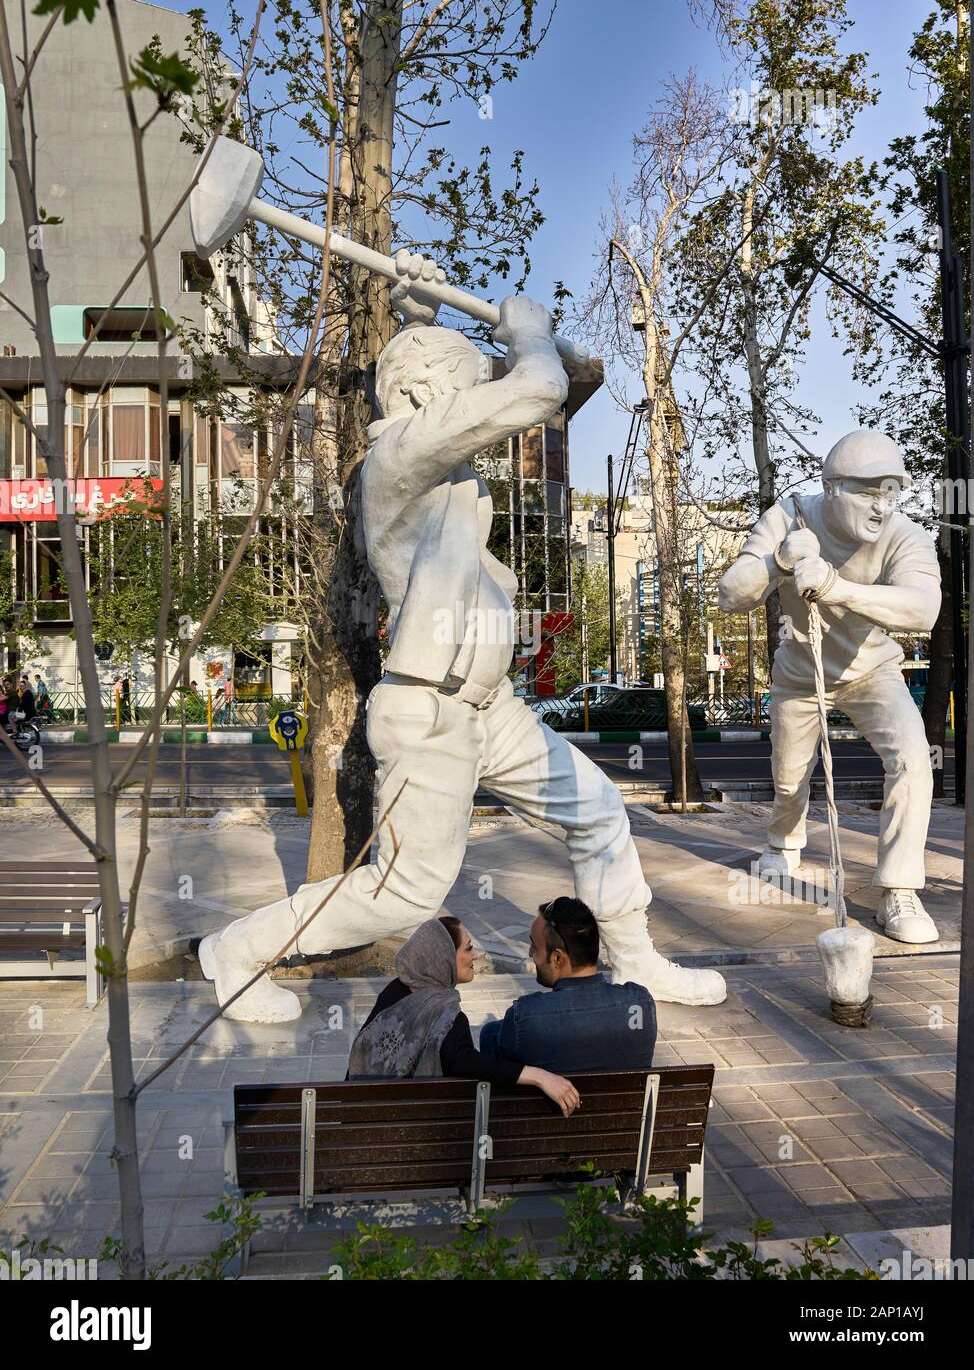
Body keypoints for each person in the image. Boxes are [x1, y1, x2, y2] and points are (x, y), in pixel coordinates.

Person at [199, 275, 725, 1023]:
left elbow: (434, 379)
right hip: (431, 711)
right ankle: (235, 952)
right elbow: (537, 387)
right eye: (465, 387)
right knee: (402, 894)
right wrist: (527, 334)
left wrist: (421, 315)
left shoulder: (440, 467)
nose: (478, 405)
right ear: (420, 399)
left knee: (599, 810)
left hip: (490, 707)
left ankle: (633, 964)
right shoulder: (401, 455)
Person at [719, 430, 942, 944]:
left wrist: (838, 587)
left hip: (873, 672)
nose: (881, 505)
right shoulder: (792, 515)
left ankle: (898, 890)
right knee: (789, 779)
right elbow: (731, 595)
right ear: (832, 487)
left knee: (912, 762)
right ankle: (782, 843)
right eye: (868, 492)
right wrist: (777, 561)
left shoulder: (905, 534)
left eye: (890, 491)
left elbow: (923, 610)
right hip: (800, 676)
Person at [346, 916, 581, 1116]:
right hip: (409, 1136)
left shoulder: (394, 991)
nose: (476, 955)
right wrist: (539, 1076)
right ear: (444, 957)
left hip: (361, 1122)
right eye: (468, 948)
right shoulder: (446, 1016)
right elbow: (464, 1061)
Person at [480, 898, 657, 1072]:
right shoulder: (641, 1003)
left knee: (490, 1032)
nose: (530, 952)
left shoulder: (524, 1015)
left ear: (557, 958)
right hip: (623, 1101)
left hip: (546, 1101)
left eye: (535, 946)